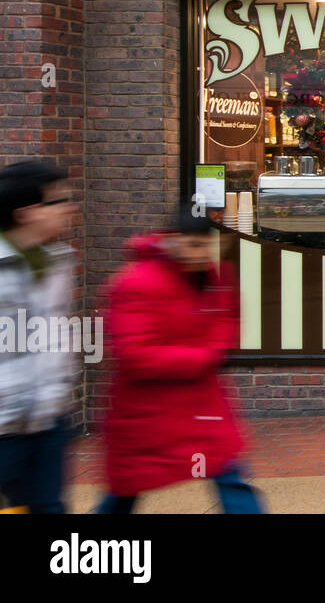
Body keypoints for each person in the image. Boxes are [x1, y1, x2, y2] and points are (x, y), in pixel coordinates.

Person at [96, 208, 262, 513]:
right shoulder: (136, 283)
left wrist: (215, 346)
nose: (200, 254)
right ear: (172, 242)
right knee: (126, 489)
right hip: (150, 412)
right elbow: (135, 355)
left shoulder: (208, 277)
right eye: (193, 245)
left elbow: (229, 319)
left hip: (200, 406)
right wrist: (204, 356)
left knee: (228, 473)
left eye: (204, 246)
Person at [0, 161, 78, 514]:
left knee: (49, 508)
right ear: (27, 213)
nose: (68, 207)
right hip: (5, 424)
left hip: (47, 419)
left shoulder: (59, 261)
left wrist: (58, 393)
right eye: (57, 201)